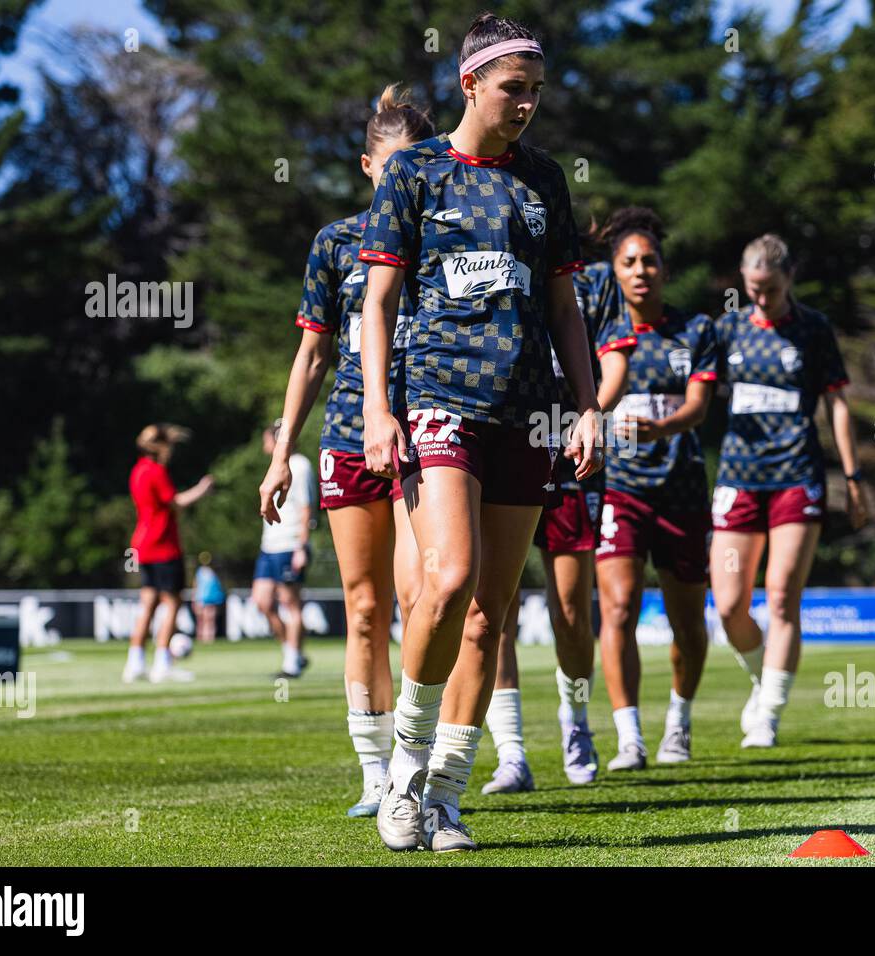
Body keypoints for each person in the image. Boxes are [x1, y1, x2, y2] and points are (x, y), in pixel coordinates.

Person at [358, 11, 603, 853]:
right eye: (513, 88)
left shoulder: (543, 180)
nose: (527, 103)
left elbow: (565, 307)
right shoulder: (415, 174)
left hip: (525, 412)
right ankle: (403, 771)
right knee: (447, 577)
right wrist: (376, 408)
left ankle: (446, 798)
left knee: (488, 617)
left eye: (536, 90)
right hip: (437, 401)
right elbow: (379, 303)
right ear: (470, 84)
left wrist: (588, 402)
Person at [259, 84, 434, 818]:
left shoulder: (448, 236)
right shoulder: (335, 245)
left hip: (426, 436)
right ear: (368, 165)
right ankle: (372, 770)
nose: (401, 180)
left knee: (418, 598)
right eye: (390, 167)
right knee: (363, 610)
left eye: (414, 167)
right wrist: (279, 455)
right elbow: (310, 357)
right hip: (348, 439)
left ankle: (416, 765)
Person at [479, 237, 636, 793]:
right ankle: (512, 752)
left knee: (570, 609)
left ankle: (576, 724)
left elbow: (615, 361)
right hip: (501, 448)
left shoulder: (592, 284)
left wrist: (589, 412)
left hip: (569, 458)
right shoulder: (490, 263)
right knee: (495, 608)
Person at [709, 234, 868, 747]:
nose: (761, 298)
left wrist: (852, 475)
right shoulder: (726, 329)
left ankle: (769, 713)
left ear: (788, 279)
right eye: (753, 289)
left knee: (781, 597)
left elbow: (837, 405)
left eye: (770, 289)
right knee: (730, 604)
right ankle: (763, 675)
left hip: (797, 479)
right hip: (738, 477)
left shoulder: (814, 329)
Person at [594, 208, 716, 770]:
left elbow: (698, 406)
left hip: (683, 489)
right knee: (618, 607)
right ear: (615, 272)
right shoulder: (601, 331)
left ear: (664, 269)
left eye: (649, 261)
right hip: (621, 489)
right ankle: (629, 739)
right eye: (629, 262)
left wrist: (662, 427)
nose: (641, 270)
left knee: (686, 620)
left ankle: (678, 724)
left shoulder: (696, 330)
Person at [125, 424, 213, 684]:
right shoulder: (155, 471)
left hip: (141, 545)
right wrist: (202, 489)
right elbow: (175, 502)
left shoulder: (137, 470)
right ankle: (162, 663)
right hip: (163, 545)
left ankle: (134, 662)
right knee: (172, 603)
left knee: (148, 604)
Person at [255, 426, 316, 678]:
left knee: (291, 604)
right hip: (269, 545)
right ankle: (294, 652)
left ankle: (291, 661)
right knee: (263, 601)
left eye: (266, 440)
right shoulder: (275, 466)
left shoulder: (299, 465)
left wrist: (302, 546)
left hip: (290, 543)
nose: (264, 446)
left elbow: (306, 507)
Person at [191, 552, 225, 644]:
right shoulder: (202, 572)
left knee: (209, 620)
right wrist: (194, 599)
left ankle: (209, 639)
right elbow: (196, 586)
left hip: (210, 600)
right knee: (202, 621)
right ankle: (201, 638)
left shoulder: (212, 573)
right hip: (201, 599)